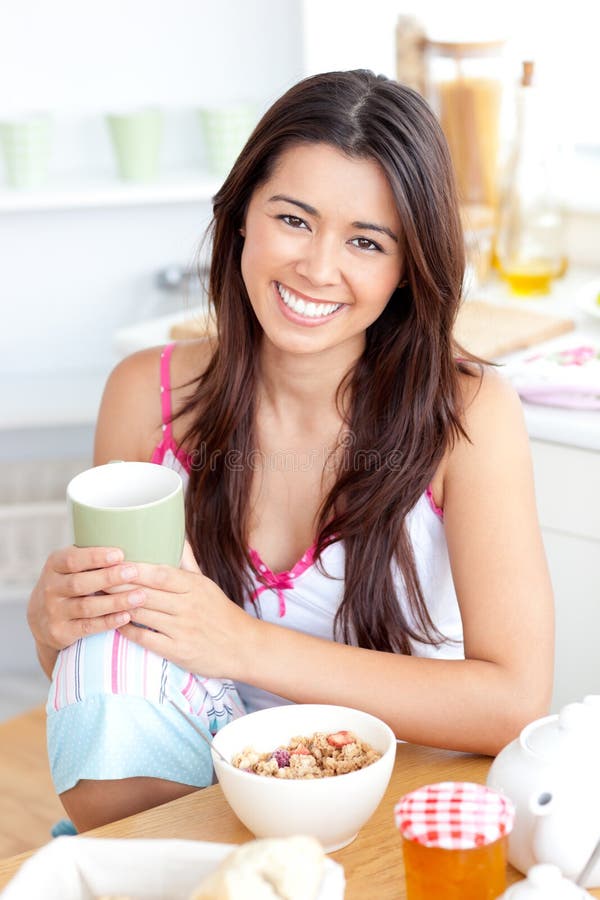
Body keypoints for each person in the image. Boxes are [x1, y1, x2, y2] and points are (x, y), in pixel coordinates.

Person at [27, 69, 554, 832]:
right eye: (294, 219)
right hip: (201, 789)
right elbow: (116, 686)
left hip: (383, 792)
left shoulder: (468, 416)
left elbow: (513, 701)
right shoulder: (148, 397)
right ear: (243, 214)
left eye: (366, 241)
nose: (317, 267)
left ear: (407, 270)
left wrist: (244, 645)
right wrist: (57, 633)